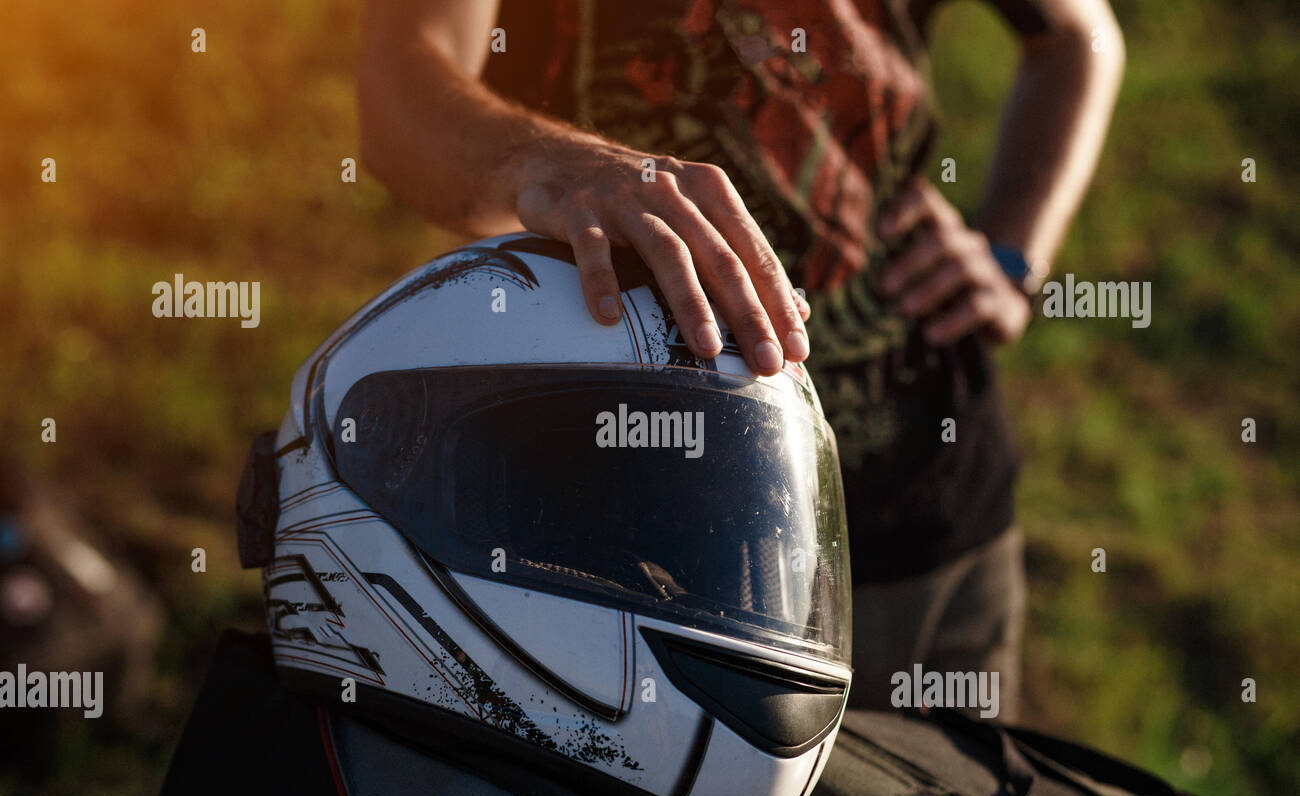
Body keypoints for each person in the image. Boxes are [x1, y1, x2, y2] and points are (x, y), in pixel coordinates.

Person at [355, 0, 1125, 721]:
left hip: (926, 520)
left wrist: (1012, 255)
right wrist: (549, 159)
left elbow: (1077, 36)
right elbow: (399, 80)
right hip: (604, 543)